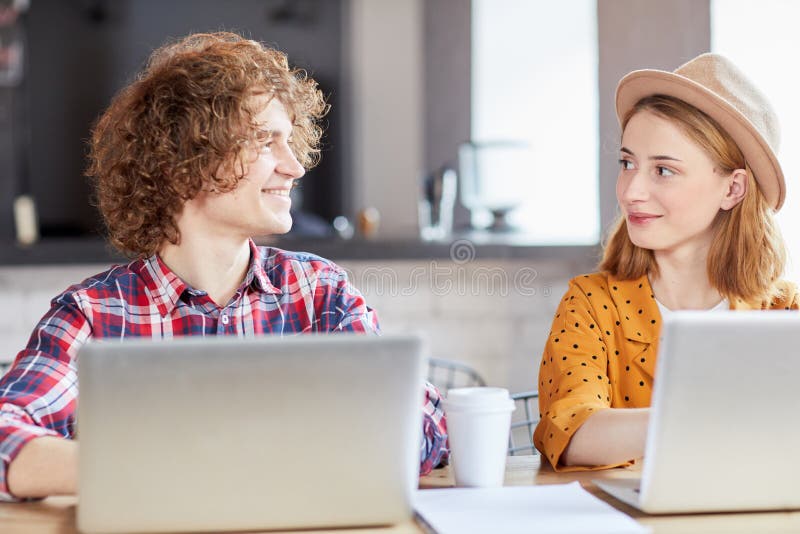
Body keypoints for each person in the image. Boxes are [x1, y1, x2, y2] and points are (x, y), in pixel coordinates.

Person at [0, 32, 448, 500]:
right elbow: (5, 437)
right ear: (183, 160)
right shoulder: (92, 314)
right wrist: (171, 469)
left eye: (289, 141)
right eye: (264, 140)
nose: (294, 166)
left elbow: (424, 422)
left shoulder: (318, 293)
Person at [534, 53, 798, 471]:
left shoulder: (785, 312)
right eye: (627, 163)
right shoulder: (590, 303)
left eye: (663, 170)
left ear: (733, 189)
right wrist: (709, 419)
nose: (631, 190)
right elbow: (572, 432)